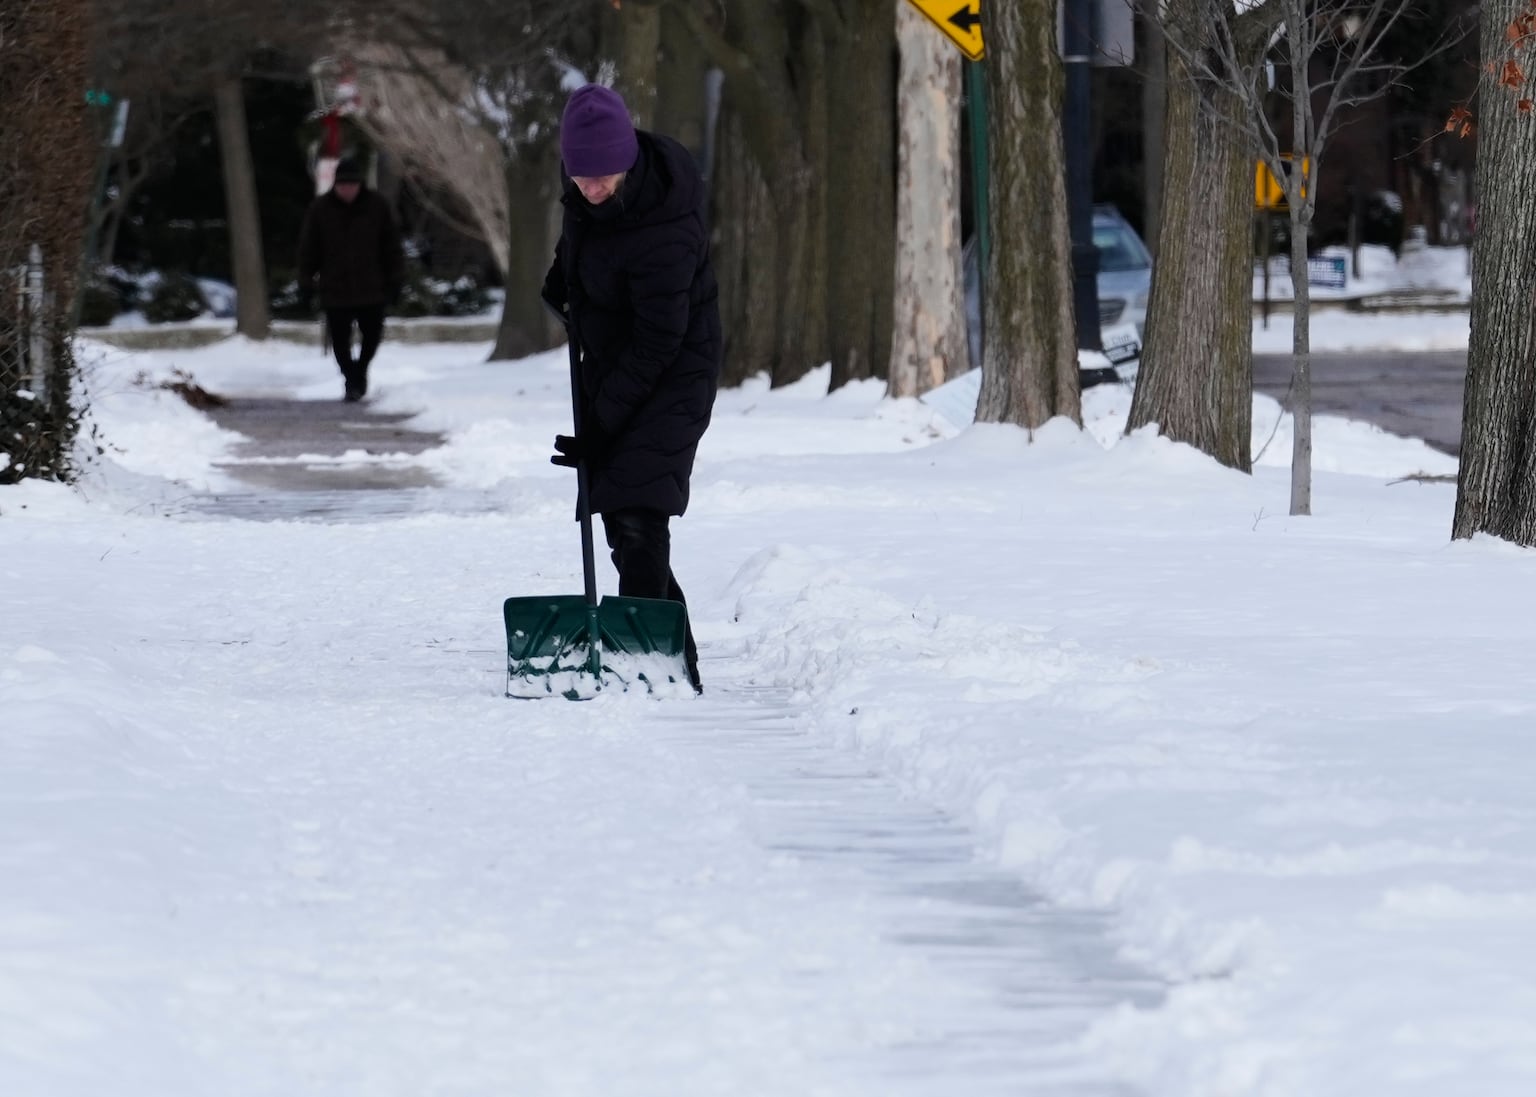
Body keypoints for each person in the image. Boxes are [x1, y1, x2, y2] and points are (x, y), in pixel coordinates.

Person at [542, 84, 722, 695]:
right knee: (622, 522)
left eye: (604, 175)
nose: (592, 187)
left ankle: (654, 665)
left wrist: (601, 426)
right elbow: (584, 240)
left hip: (674, 376)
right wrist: (560, 277)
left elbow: (658, 344)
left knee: (640, 517)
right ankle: (674, 659)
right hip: (618, 368)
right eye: (581, 175)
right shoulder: (586, 195)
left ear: (628, 159)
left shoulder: (667, 227)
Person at [297, 157, 404, 402]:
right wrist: (306, 280)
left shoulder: (378, 206)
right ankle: (350, 377)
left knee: (372, 336)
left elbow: (391, 246)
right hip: (335, 288)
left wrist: (395, 279)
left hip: (371, 286)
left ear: (360, 184)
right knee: (340, 341)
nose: (347, 190)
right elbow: (309, 248)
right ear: (335, 185)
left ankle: (361, 369)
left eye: (352, 184)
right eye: (343, 185)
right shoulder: (320, 209)